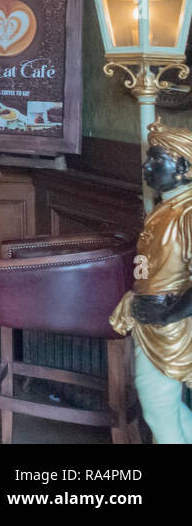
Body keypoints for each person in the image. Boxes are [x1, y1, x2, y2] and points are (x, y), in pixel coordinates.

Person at [110, 118, 192, 443]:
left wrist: (170, 312)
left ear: (184, 167)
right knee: (161, 407)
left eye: (157, 160)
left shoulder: (186, 213)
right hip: (152, 320)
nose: (147, 167)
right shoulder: (167, 208)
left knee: (158, 406)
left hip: (171, 323)